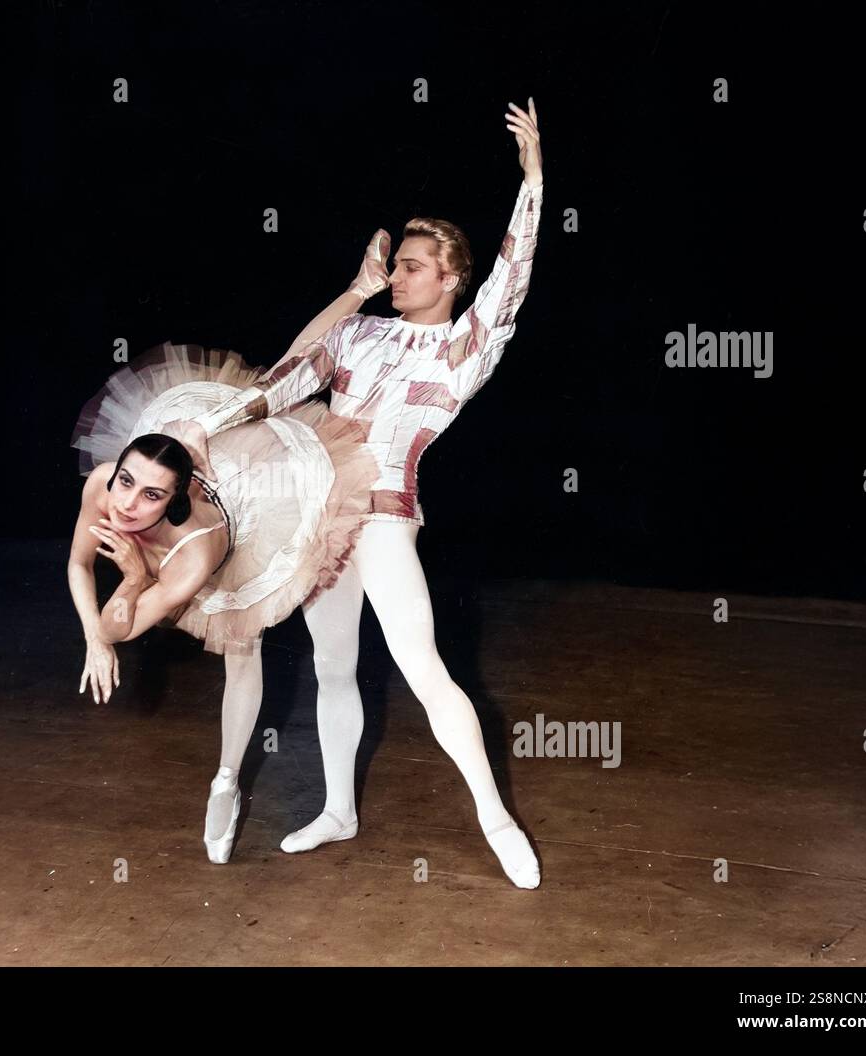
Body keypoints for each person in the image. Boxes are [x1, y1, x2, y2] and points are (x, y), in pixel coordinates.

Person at [171, 98, 546, 887]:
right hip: (319, 518)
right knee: (330, 665)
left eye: (413, 267)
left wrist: (533, 179)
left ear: (450, 278)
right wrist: (353, 291)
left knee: (422, 664)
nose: (400, 276)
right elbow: (282, 379)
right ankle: (339, 808)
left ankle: (495, 815)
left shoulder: (466, 345)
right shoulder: (358, 331)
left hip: (383, 517)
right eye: (398, 263)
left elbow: (513, 276)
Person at [66, 232, 394, 863]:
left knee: (241, 648)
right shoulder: (105, 488)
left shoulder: (198, 550)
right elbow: (81, 566)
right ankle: (358, 289)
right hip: (192, 437)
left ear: (174, 501)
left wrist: (133, 585)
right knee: (275, 378)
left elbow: (126, 627)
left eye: (149, 497)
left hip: (255, 495)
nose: (128, 505)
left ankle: (225, 780)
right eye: (125, 482)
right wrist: (91, 635)